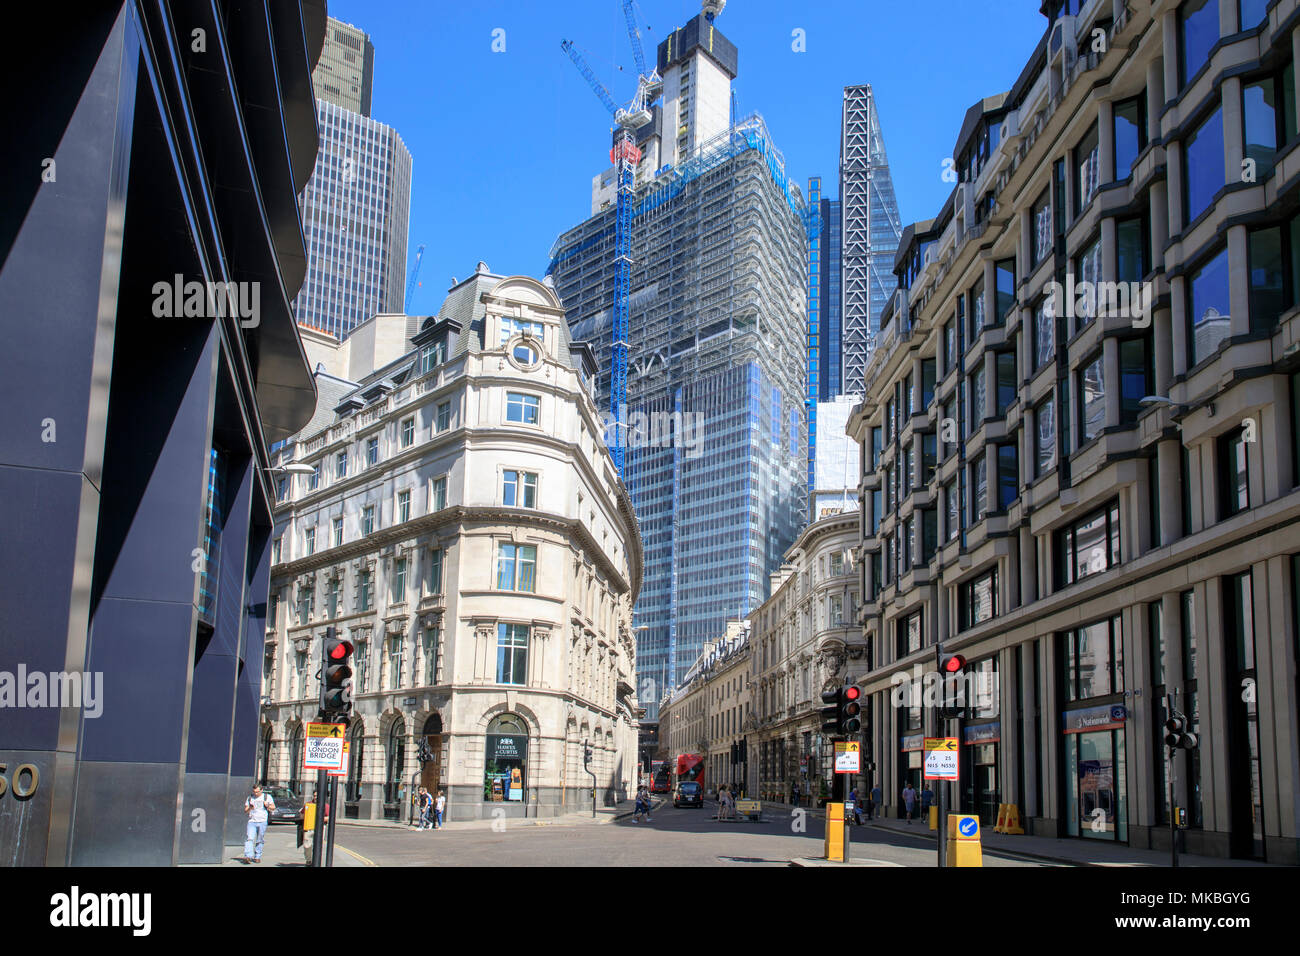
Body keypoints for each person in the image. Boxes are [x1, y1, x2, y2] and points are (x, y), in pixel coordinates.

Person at [242, 784, 275, 864]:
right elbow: (245, 810)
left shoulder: (267, 797)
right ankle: (248, 856)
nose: (255, 794)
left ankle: (257, 856)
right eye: (254, 792)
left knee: (260, 839)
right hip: (252, 821)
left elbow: (273, 807)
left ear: (261, 790)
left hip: (262, 821)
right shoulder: (250, 798)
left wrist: (267, 805)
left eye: (257, 792)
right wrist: (250, 807)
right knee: (249, 838)